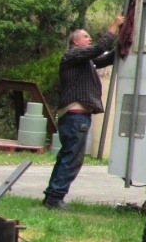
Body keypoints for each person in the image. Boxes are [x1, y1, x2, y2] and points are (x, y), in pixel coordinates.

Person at [42, 14, 125, 209]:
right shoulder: (72, 55)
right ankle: (55, 198)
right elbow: (99, 48)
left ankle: (51, 196)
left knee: (66, 156)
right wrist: (114, 25)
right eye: (86, 37)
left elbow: (108, 58)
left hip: (75, 116)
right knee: (72, 159)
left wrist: (124, 39)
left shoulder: (85, 61)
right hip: (75, 116)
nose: (90, 39)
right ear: (76, 41)